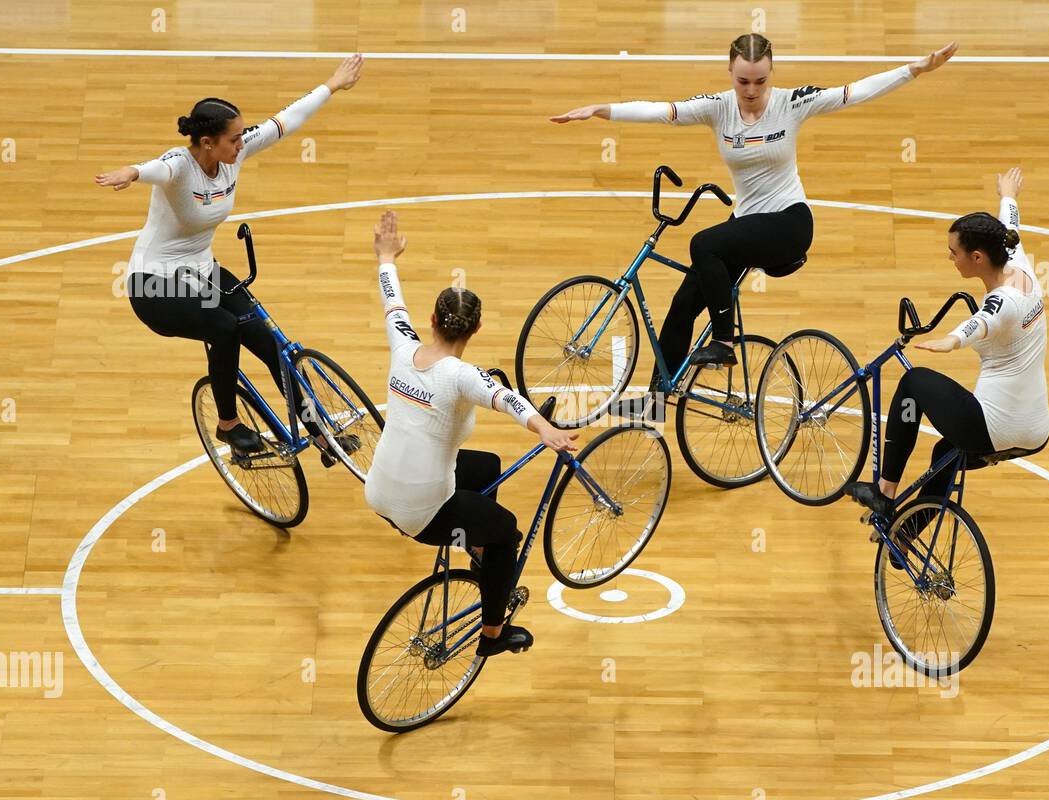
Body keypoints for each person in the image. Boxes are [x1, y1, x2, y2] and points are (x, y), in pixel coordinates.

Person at [552, 33, 958, 417]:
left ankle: (724, 342)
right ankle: (656, 402)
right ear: (730, 73)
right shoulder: (718, 107)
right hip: (746, 225)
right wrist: (602, 110)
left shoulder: (791, 103)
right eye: (743, 80)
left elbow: (853, 92)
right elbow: (663, 111)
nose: (751, 89)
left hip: (789, 223)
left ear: (771, 74)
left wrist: (916, 68)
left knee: (703, 244)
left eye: (760, 81)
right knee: (682, 305)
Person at [95, 55, 364, 456]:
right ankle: (228, 425)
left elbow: (285, 121)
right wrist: (131, 172)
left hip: (202, 271)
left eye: (242, 136)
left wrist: (332, 84)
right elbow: (156, 169)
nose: (242, 143)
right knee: (223, 327)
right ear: (208, 143)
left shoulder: (233, 157)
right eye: (234, 139)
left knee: (271, 341)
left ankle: (322, 435)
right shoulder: (179, 166)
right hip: (153, 284)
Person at [364, 211, 579, 657]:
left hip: (378, 490)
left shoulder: (404, 345)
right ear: (477, 328)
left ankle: (476, 553)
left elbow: (392, 300)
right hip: (423, 511)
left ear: (431, 320)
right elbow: (510, 401)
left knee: (487, 467)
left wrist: (386, 256)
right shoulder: (462, 376)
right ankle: (493, 635)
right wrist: (547, 431)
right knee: (508, 533)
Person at [846, 167, 1049, 547]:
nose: (949, 257)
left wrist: (952, 341)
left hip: (995, 428)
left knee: (913, 383)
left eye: (954, 253)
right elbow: (1009, 226)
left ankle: (885, 492)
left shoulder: (1003, 301)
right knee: (945, 451)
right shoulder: (1018, 261)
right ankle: (906, 535)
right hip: (1036, 431)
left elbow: (983, 322)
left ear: (976, 257)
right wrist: (1008, 195)